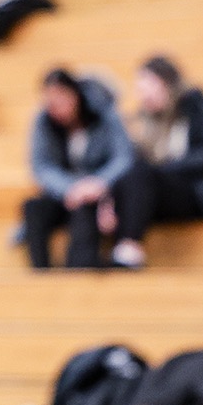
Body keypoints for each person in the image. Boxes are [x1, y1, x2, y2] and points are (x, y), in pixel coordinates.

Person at [110, 57, 203, 270]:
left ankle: (129, 245)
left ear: (166, 83)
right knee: (126, 177)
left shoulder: (197, 106)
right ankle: (109, 253)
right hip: (156, 194)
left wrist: (171, 168)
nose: (143, 95)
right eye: (140, 90)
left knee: (141, 173)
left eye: (148, 87)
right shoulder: (142, 121)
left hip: (196, 191)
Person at [23, 70, 135, 271]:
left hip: (100, 194)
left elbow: (124, 157)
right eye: (51, 104)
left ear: (74, 95)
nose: (56, 109)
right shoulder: (44, 122)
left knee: (84, 207)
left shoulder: (105, 114)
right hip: (64, 194)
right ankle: (40, 275)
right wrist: (71, 188)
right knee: (33, 208)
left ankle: (78, 271)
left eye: (60, 100)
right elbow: (41, 166)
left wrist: (98, 184)